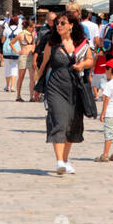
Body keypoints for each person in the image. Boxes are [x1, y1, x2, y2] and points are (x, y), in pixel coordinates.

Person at [35, 13, 93, 174]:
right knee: (59, 121)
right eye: (57, 23)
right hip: (55, 87)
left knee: (72, 124)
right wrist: (37, 86)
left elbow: (91, 60)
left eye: (63, 23)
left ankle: (66, 160)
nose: (59, 25)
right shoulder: (51, 43)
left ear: (71, 25)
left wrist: (82, 65)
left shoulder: (81, 44)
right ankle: (59, 161)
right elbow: (44, 64)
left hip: (74, 88)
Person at [95, 58, 113, 162]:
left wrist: (103, 113)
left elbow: (106, 99)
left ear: (110, 70)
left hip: (111, 113)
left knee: (108, 134)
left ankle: (105, 154)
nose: (105, 71)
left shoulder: (109, 84)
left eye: (106, 69)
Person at [15, 19, 36, 102]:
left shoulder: (33, 35)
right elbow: (11, 43)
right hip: (23, 57)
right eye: (33, 27)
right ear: (28, 27)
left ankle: (31, 96)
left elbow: (34, 45)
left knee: (32, 77)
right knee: (21, 77)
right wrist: (17, 51)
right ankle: (18, 95)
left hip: (31, 57)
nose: (34, 29)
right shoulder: (21, 35)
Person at [2, 17, 22, 94]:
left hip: (7, 51)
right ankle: (13, 86)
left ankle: (7, 86)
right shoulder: (20, 30)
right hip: (16, 50)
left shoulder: (6, 29)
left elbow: (3, 40)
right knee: (14, 68)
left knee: (7, 68)